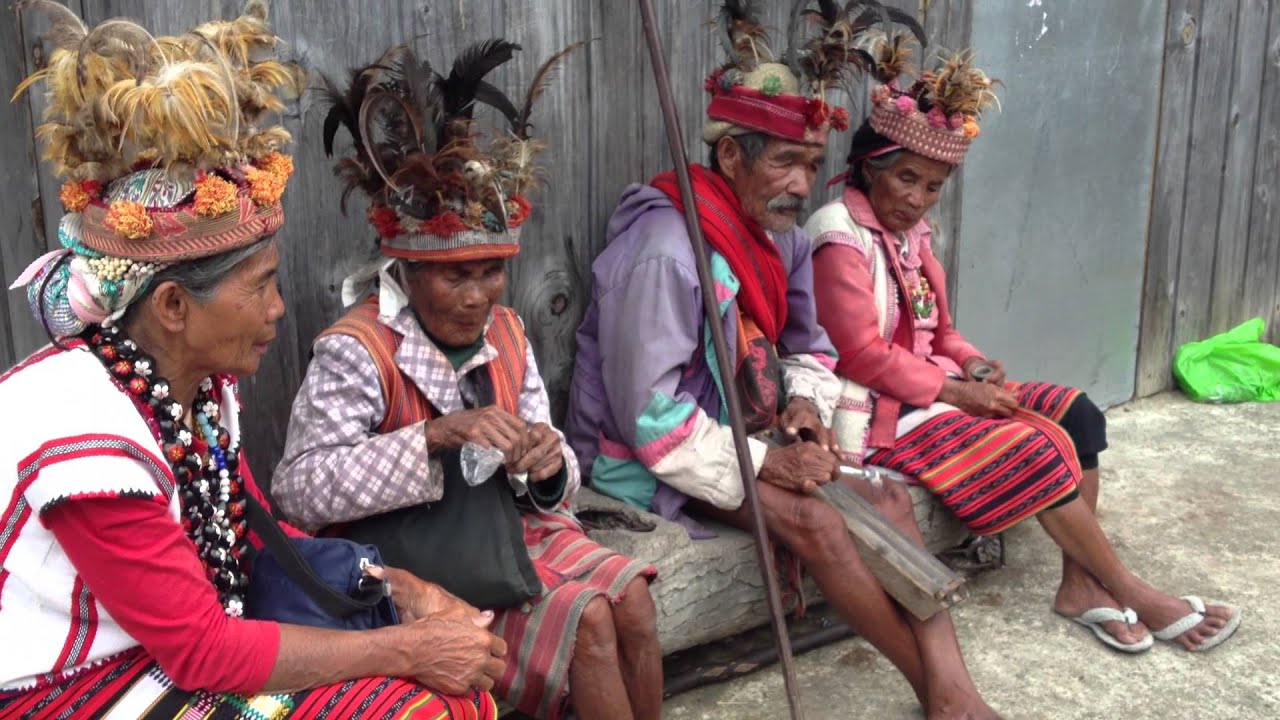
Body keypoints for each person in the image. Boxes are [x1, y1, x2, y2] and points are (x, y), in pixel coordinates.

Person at [0, 4, 502, 718]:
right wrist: (411, 648)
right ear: (173, 307)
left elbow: (245, 535)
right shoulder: (87, 440)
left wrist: (400, 588)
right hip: (69, 689)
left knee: (452, 698)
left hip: (164, 654)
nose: (278, 309)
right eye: (261, 285)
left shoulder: (189, 392)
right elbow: (202, 651)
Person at [568, 4, 999, 719]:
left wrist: (802, 405)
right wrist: (772, 465)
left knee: (887, 496)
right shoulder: (666, 256)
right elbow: (649, 420)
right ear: (731, 156)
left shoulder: (782, 235)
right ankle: (935, 693)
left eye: (811, 165)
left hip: (755, 431)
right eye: (784, 162)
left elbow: (809, 345)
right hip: (652, 455)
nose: (802, 185)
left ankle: (954, 688)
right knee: (820, 522)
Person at [806, 48, 1243, 655]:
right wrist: (962, 393)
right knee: (1034, 446)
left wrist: (974, 364)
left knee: (1079, 412)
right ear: (868, 168)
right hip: (880, 412)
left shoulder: (913, 234)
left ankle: (1079, 586)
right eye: (905, 178)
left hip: (933, 390)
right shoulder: (837, 234)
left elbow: (944, 333)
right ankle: (1132, 590)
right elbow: (861, 356)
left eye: (932, 186)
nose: (917, 198)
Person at [272, 42, 661, 720]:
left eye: (491, 272)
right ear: (409, 272)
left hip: (504, 527)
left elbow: (555, 466)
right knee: (591, 619)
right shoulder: (356, 349)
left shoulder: (507, 332)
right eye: (457, 275)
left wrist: (544, 466)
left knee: (634, 599)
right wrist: (431, 437)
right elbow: (300, 492)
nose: (479, 295)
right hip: (410, 553)